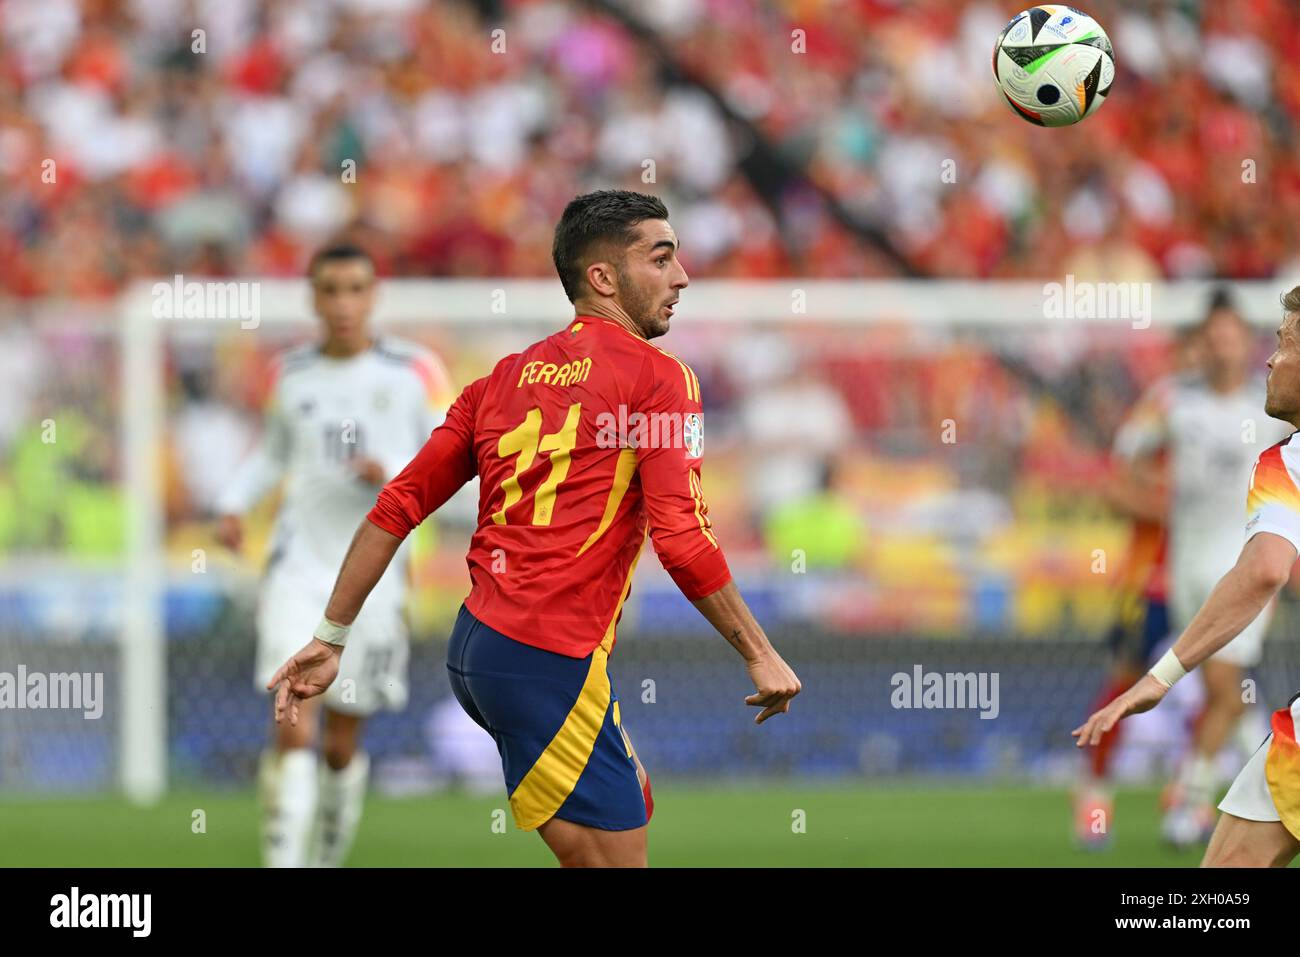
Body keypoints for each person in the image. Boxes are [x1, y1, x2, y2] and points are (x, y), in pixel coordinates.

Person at [267, 189, 802, 868]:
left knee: (608, 838)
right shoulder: (660, 380)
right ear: (603, 278)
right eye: (661, 257)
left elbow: (395, 505)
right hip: (549, 653)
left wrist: (331, 634)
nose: (682, 275)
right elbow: (682, 535)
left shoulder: (499, 380)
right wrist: (757, 650)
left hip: (481, 643)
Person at [215, 243, 453, 867]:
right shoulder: (290, 375)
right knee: (292, 720)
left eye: (355, 289)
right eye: (331, 290)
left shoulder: (415, 372)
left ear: (373, 296)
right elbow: (272, 454)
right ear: (313, 298)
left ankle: (322, 859)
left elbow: (456, 470)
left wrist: (393, 473)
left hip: (376, 580)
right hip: (298, 567)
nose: (343, 303)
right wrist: (235, 503)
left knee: (342, 741)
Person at [1074, 286, 1300, 868]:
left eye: (1284, 343)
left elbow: (1266, 568)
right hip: (1179, 566)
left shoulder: (1281, 454)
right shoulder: (1171, 400)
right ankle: (1101, 797)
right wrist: (1159, 504)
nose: (1268, 359)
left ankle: (1188, 797)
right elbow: (1117, 475)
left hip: (1242, 569)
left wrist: (1163, 678)